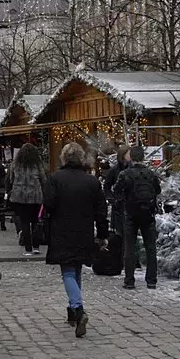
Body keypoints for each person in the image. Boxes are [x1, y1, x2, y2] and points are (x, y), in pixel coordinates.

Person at [44, 142, 108, 338]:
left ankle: (78, 309)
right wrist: (103, 235)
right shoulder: (91, 182)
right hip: (84, 232)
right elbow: (101, 211)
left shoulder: (55, 179)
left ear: (64, 158)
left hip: (62, 231)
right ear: (81, 158)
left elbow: (48, 205)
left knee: (68, 272)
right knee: (77, 268)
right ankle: (73, 310)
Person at [114, 145, 162, 290]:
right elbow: (158, 190)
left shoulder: (125, 174)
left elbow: (117, 190)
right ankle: (151, 280)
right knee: (150, 248)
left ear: (131, 158)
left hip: (131, 214)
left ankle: (129, 280)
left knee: (129, 247)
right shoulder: (150, 174)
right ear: (143, 157)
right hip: (148, 214)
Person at [10, 143, 46, 256]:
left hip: (20, 197)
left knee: (24, 222)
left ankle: (28, 249)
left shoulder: (15, 164)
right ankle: (36, 247)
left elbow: (11, 179)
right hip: (35, 196)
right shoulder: (37, 164)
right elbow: (43, 179)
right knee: (36, 222)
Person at [103, 145, 131, 238]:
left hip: (131, 205)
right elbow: (106, 186)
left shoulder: (133, 169)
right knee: (120, 234)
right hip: (119, 206)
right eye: (129, 154)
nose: (131, 156)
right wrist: (112, 200)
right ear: (123, 155)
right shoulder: (114, 170)